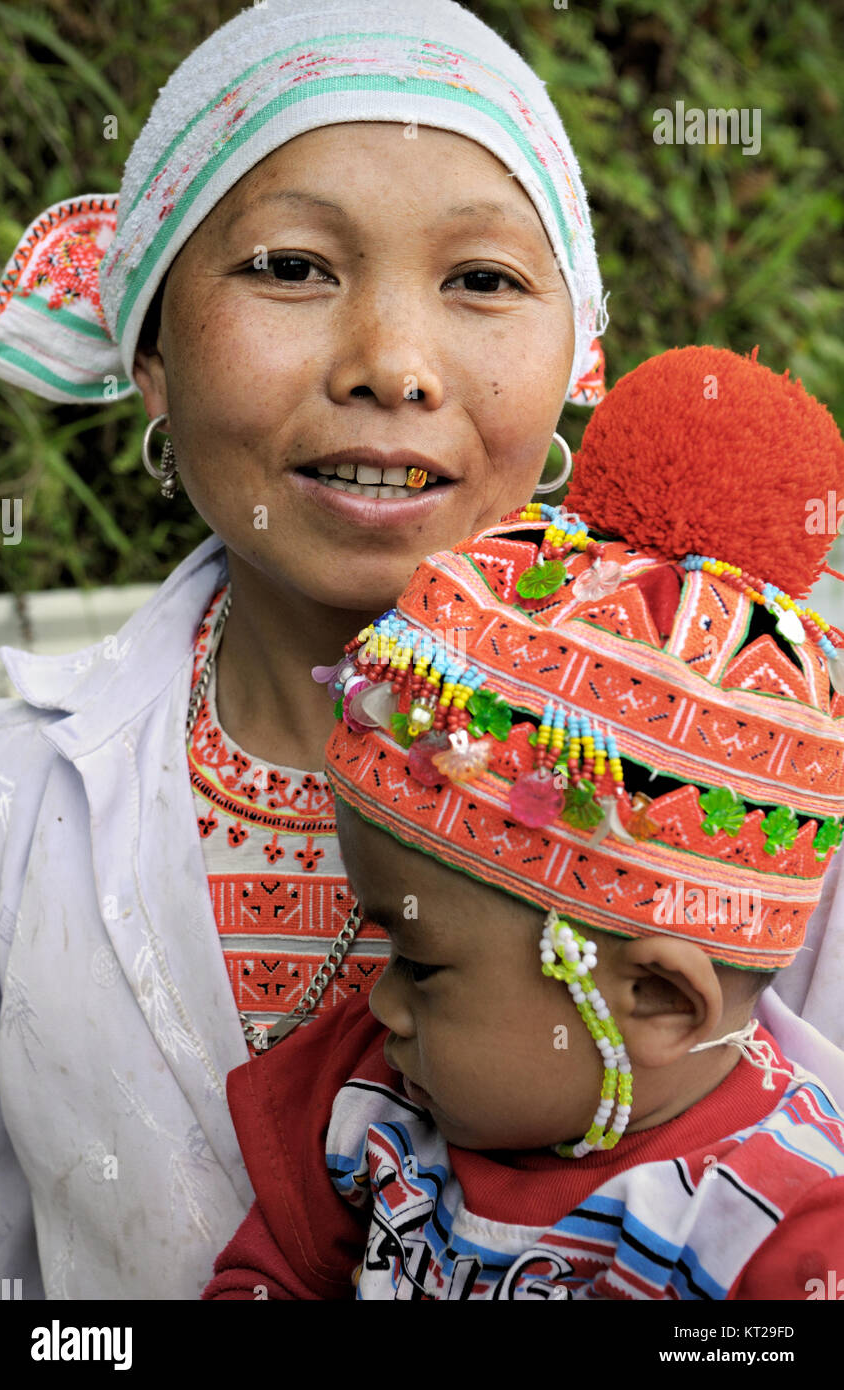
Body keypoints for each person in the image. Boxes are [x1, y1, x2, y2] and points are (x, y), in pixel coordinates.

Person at [0, 0, 610, 1300]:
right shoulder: (6, 810)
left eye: (482, 279)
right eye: (289, 266)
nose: (391, 364)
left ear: (572, 353)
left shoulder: (742, 798)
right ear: (150, 349)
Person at [203, 345, 844, 1300]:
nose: (379, 1009)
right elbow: (273, 1270)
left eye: (421, 967)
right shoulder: (380, 1109)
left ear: (660, 1000)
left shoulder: (768, 1228)